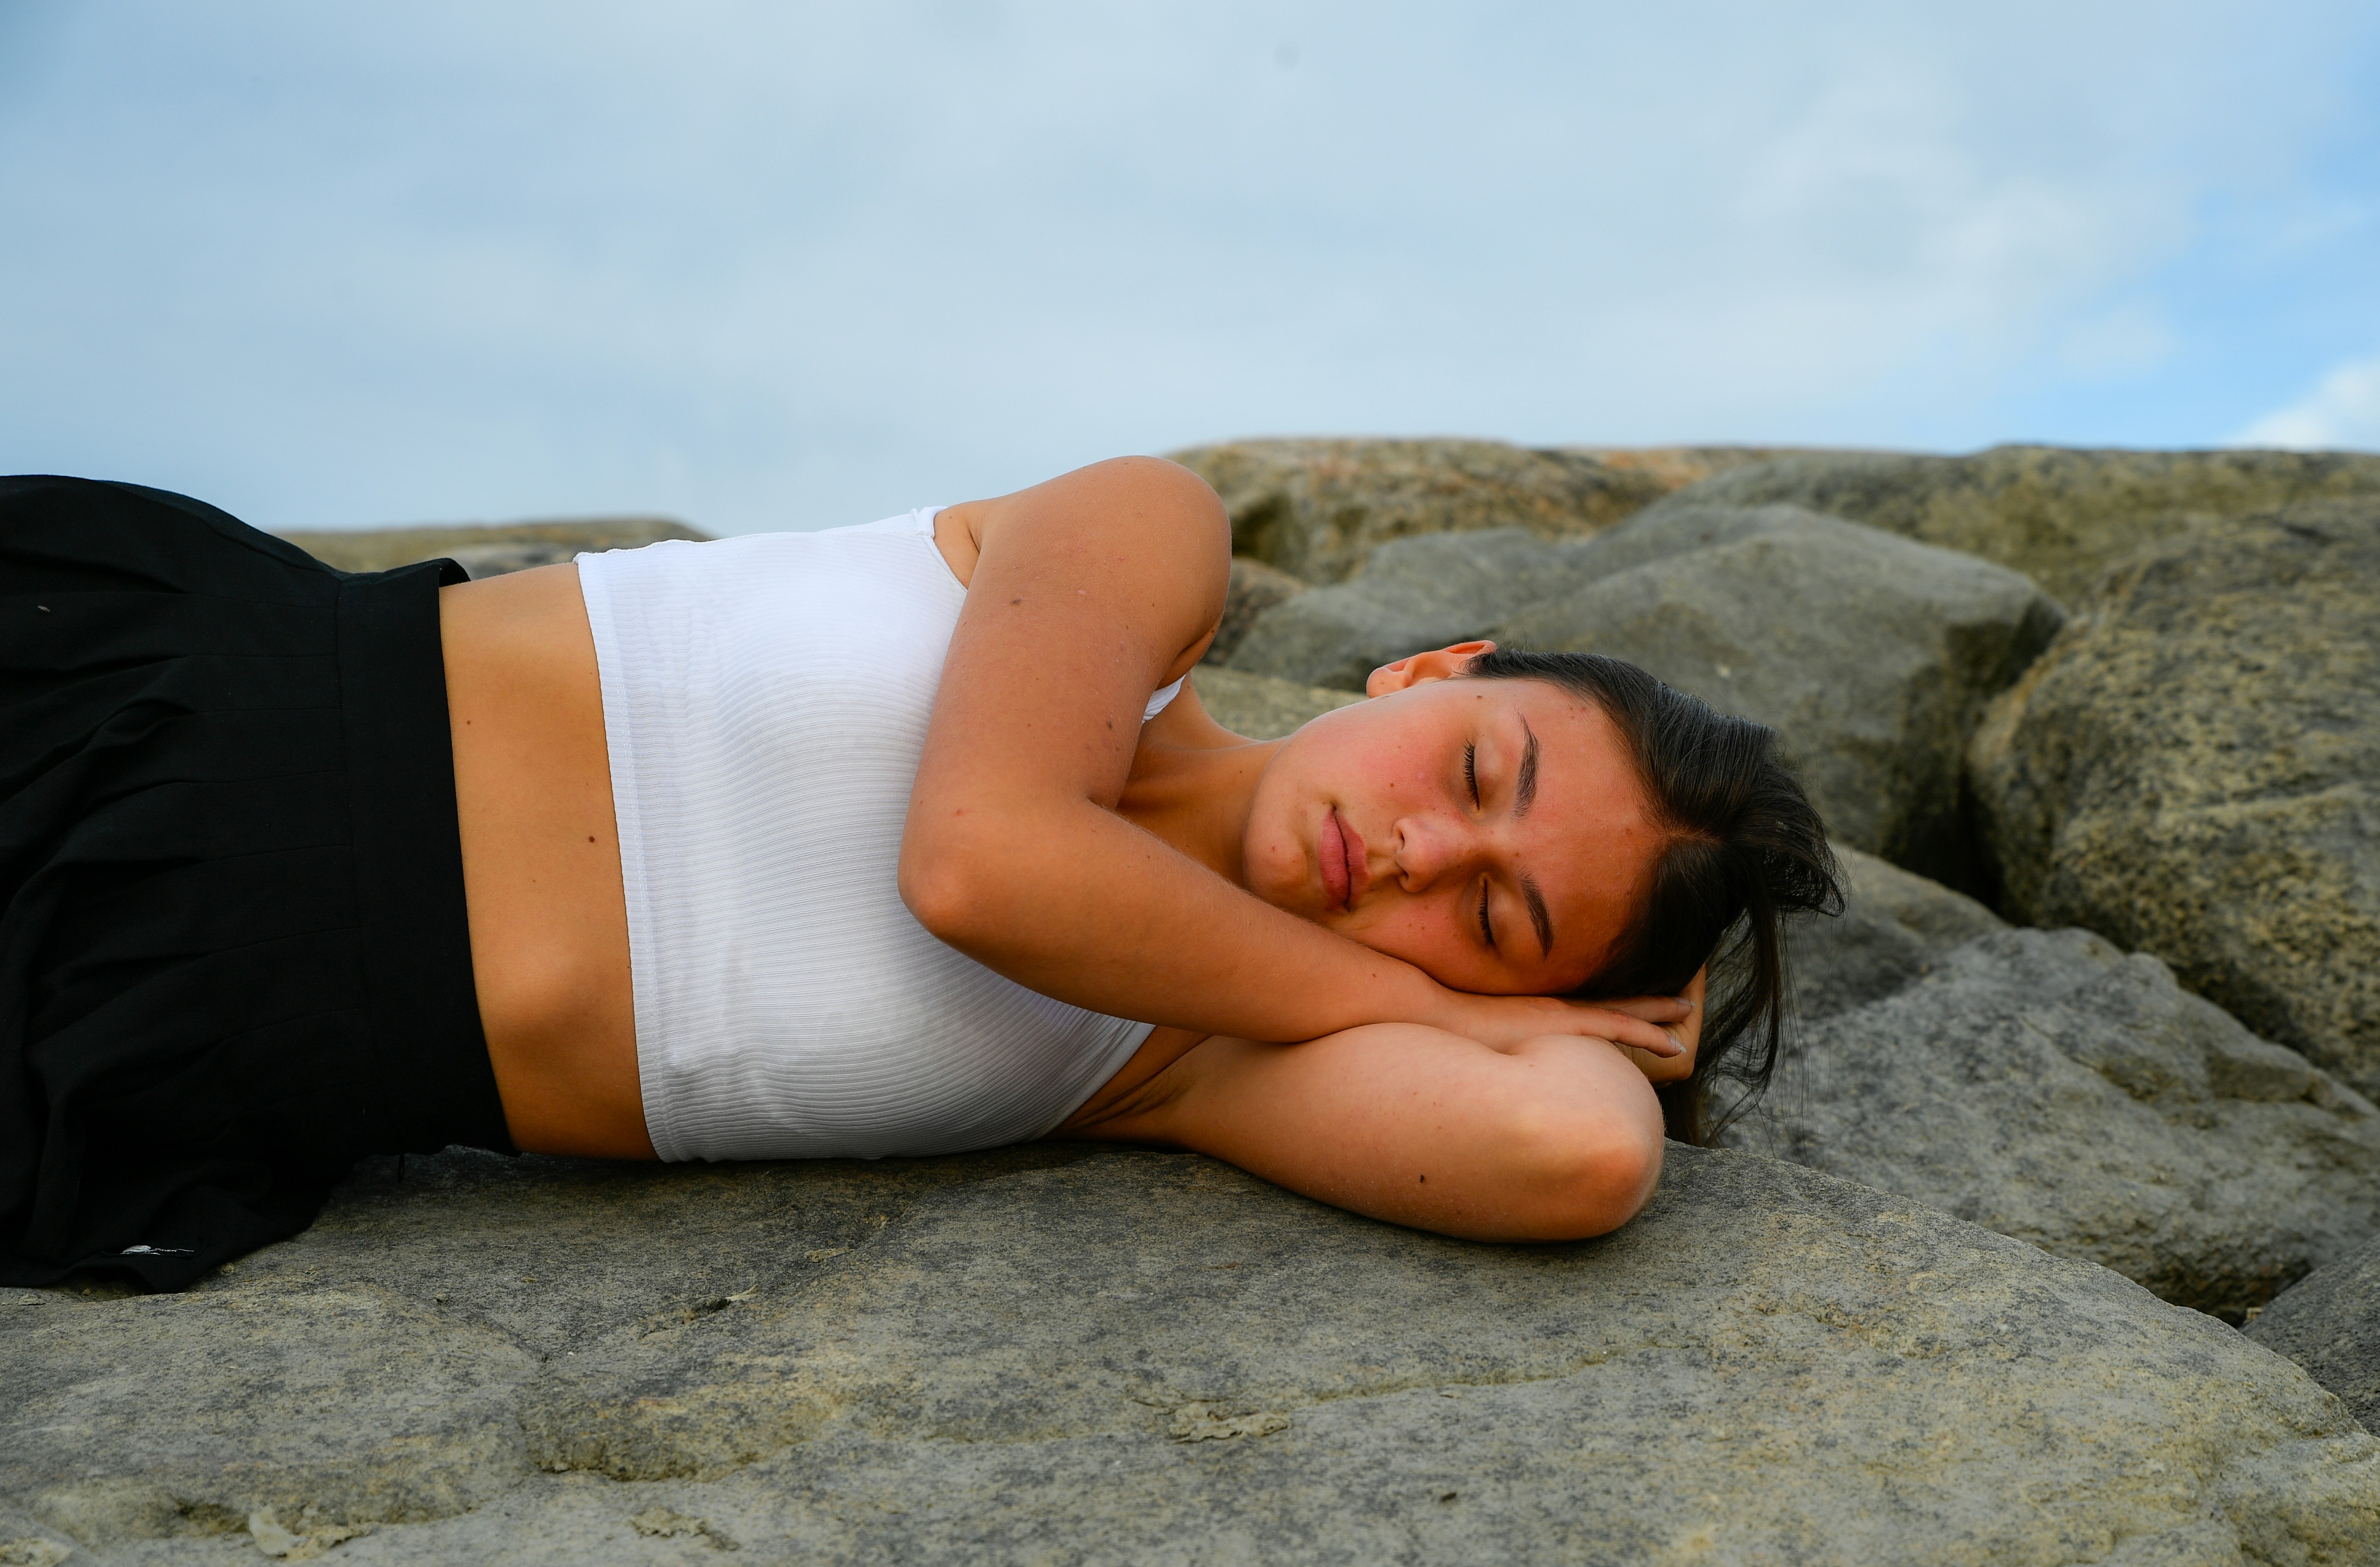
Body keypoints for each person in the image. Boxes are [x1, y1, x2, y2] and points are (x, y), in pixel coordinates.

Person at [1, 458, 1839, 1293]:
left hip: (186, 1034)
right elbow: (983, 864)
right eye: (1477, 772)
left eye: (1496, 916)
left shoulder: (1191, 1061)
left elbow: (1580, 1153)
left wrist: (1532, 1033)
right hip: (154, 706)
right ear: (1434, 670)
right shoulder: (1148, 544)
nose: (1423, 854)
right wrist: (1437, 988)